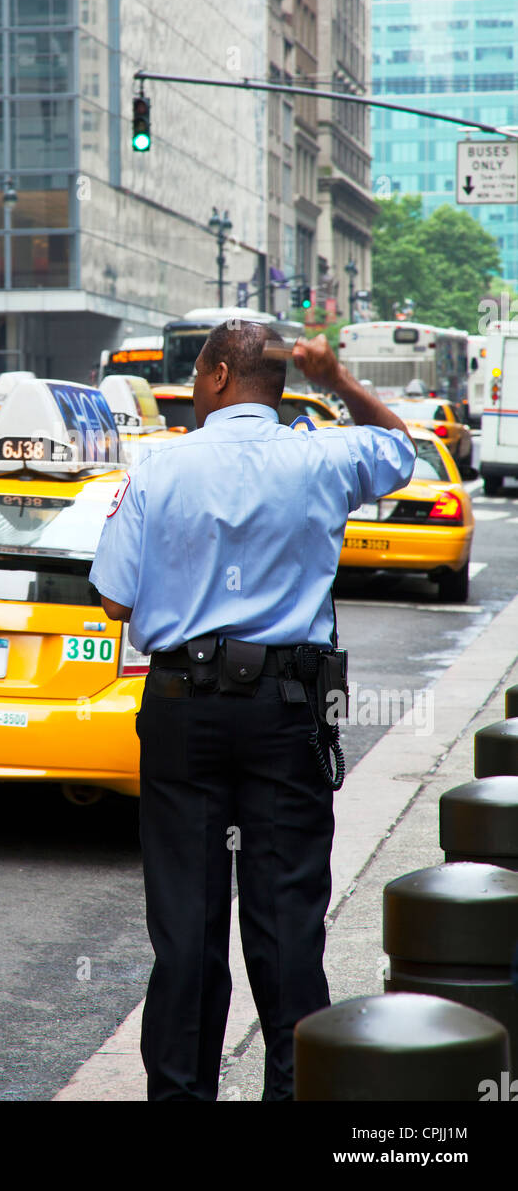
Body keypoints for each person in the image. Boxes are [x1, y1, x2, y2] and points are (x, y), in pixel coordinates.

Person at [88, 323, 416, 1103]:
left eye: (199, 372)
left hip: (182, 712)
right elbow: (403, 448)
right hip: (288, 712)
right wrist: (337, 378)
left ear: (219, 375)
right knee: (287, 931)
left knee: (186, 935)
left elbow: (112, 597)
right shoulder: (324, 456)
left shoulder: (161, 468)